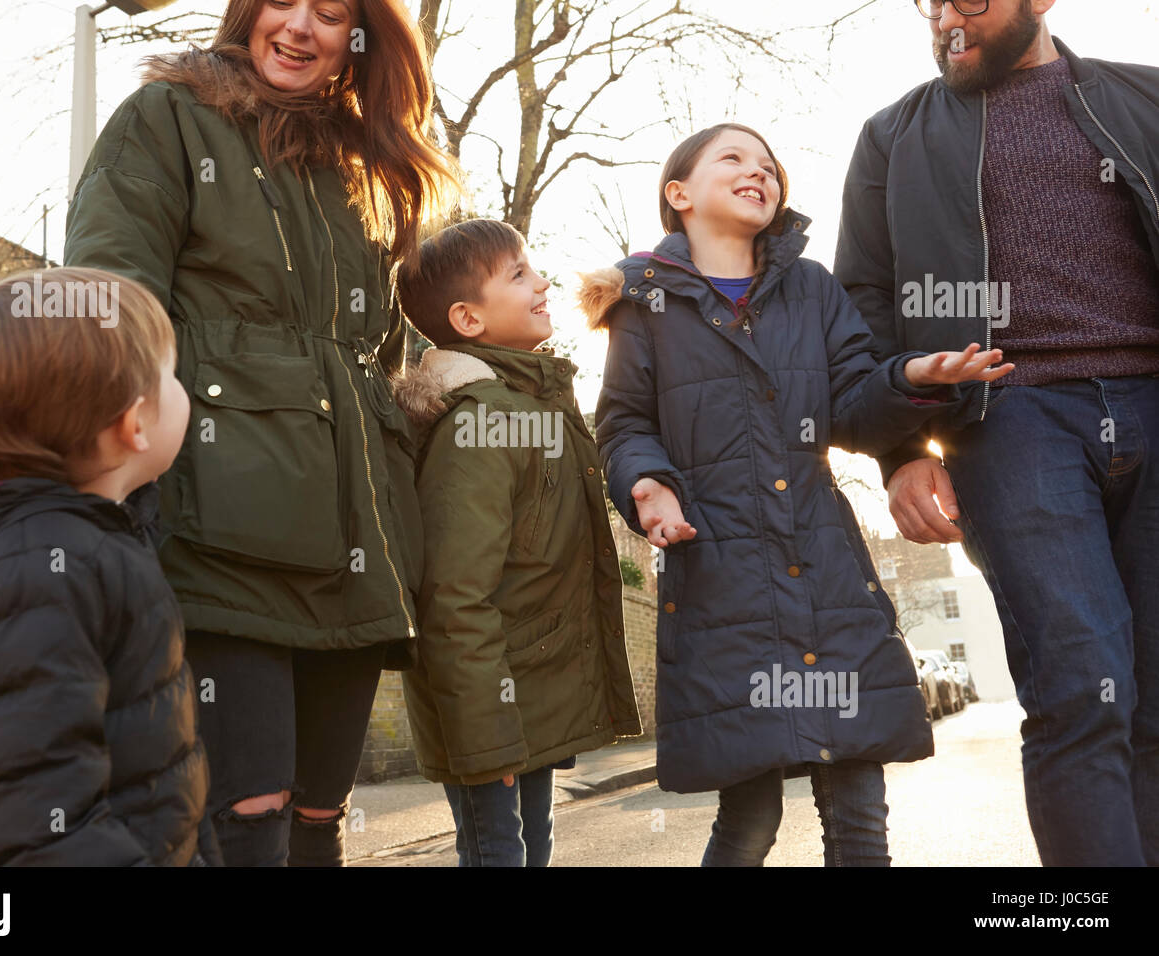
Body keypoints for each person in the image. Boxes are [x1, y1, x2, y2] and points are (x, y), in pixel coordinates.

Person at [63, 0, 457, 866]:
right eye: (283, 1)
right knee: (250, 811)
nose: (300, 27)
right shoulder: (169, 116)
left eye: (329, 13)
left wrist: (443, 381)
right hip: (219, 519)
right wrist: (127, 441)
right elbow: (110, 291)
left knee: (321, 815)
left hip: (362, 531)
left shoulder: (372, 167)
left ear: (356, 41)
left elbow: (379, 348)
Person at [583, 123, 1012, 866]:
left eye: (768, 165)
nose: (759, 171)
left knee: (858, 808)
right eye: (734, 159)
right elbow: (623, 422)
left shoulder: (811, 287)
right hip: (722, 579)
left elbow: (850, 405)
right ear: (678, 193)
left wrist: (908, 380)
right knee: (748, 814)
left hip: (826, 569)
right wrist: (649, 488)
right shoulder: (643, 301)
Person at [834, 0, 1159, 865]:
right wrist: (902, 452)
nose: (945, 16)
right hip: (1011, 421)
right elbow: (862, 310)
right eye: (927, 2)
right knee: (1082, 690)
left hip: (1152, 400)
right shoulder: (890, 137)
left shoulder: (1145, 98)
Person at [0, 267, 219, 866]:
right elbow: (37, 830)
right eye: (171, 374)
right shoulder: (44, 575)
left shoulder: (77, 550)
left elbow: (158, 782)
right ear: (133, 424)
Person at [390, 218, 642, 866]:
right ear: (469, 319)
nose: (542, 282)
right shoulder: (478, 424)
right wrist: (487, 734)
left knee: (529, 853)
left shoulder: (532, 405)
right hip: (491, 712)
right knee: (500, 854)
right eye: (519, 274)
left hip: (532, 700)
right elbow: (453, 598)